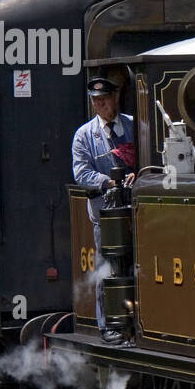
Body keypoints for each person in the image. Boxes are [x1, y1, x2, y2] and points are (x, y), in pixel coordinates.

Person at [71, 76, 135, 344]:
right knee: (106, 269)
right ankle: (107, 324)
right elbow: (81, 172)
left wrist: (137, 176)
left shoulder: (133, 126)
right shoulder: (84, 135)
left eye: (104, 100)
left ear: (115, 99)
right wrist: (107, 182)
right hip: (105, 214)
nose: (100, 105)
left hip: (135, 208)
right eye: (96, 101)